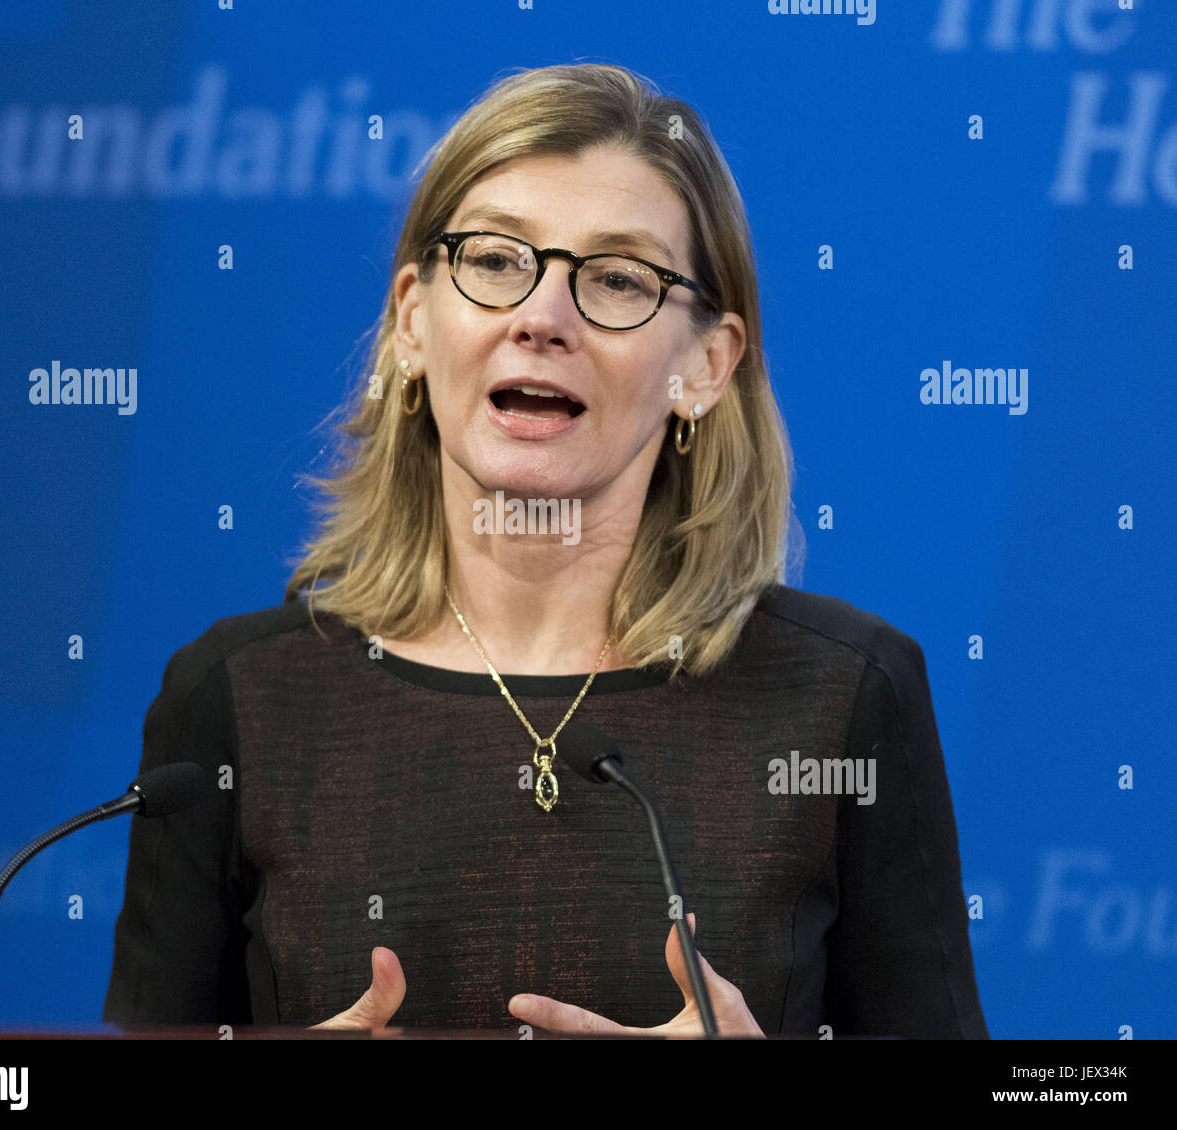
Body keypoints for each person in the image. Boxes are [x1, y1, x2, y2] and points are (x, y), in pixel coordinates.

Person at [102, 62, 988, 1038]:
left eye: (616, 278)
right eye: (493, 259)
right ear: (412, 321)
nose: (541, 317)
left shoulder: (842, 696)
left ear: (704, 364)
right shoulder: (235, 699)